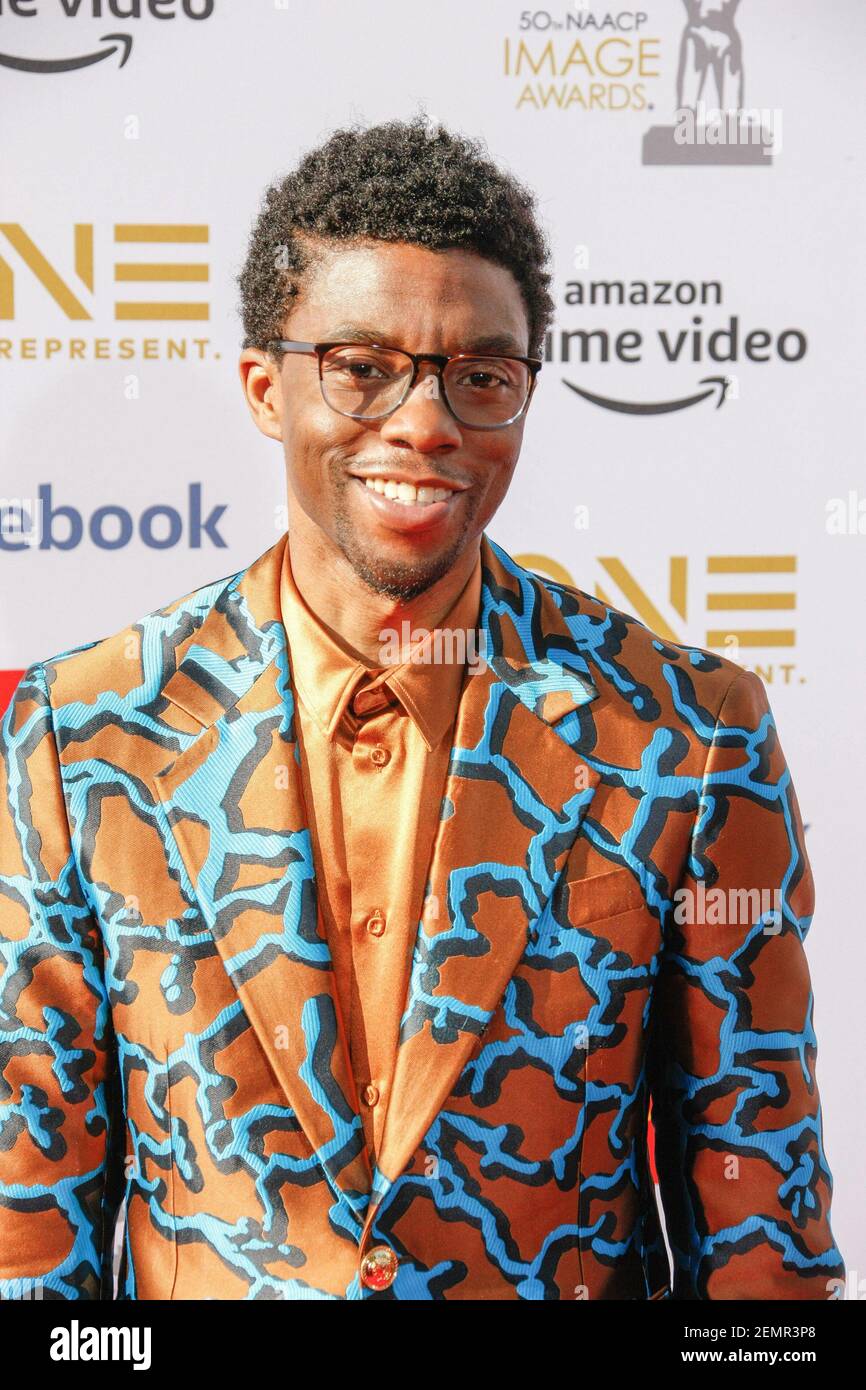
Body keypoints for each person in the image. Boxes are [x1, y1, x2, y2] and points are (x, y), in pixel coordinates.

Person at [0, 116, 844, 1300]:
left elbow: (761, 1218)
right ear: (265, 387)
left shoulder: (685, 730)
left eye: (479, 376)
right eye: (362, 367)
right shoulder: (85, 731)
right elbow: (29, 1225)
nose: (423, 423)